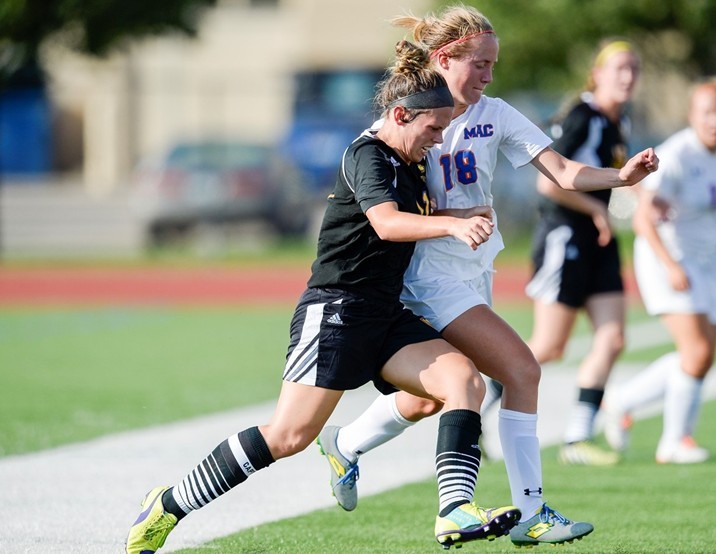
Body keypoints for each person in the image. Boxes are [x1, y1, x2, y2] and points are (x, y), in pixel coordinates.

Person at [125, 41, 523, 554]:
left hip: (385, 312)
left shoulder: (412, 159)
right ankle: (168, 504)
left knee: (461, 380)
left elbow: (418, 211)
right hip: (336, 310)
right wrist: (452, 226)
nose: (439, 138)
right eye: (433, 128)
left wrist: (462, 213)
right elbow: (386, 223)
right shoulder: (366, 155)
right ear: (401, 115)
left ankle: (455, 511)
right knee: (289, 436)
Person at [315, 5, 658, 548]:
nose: (489, 76)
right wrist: (447, 222)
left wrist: (622, 176)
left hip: (474, 272)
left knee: (432, 397)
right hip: (428, 276)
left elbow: (562, 171)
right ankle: (530, 514)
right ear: (444, 59)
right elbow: (381, 199)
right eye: (480, 64)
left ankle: (346, 443)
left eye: (493, 65)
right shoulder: (405, 118)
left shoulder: (494, 113)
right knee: (522, 370)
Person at [481, 38, 642, 467]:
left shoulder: (619, 120)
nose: (628, 76)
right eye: (620, 68)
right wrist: (597, 210)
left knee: (613, 338)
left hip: (599, 243)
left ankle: (577, 438)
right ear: (597, 74)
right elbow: (549, 183)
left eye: (634, 69)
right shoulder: (582, 117)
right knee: (549, 346)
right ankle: (474, 406)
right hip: (565, 238)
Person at [603, 77, 716, 464]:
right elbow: (643, 220)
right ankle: (674, 442)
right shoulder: (677, 156)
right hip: (666, 257)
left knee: (701, 358)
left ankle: (623, 400)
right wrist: (671, 266)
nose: (715, 120)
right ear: (692, 115)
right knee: (697, 352)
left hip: (705, 260)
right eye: (707, 113)